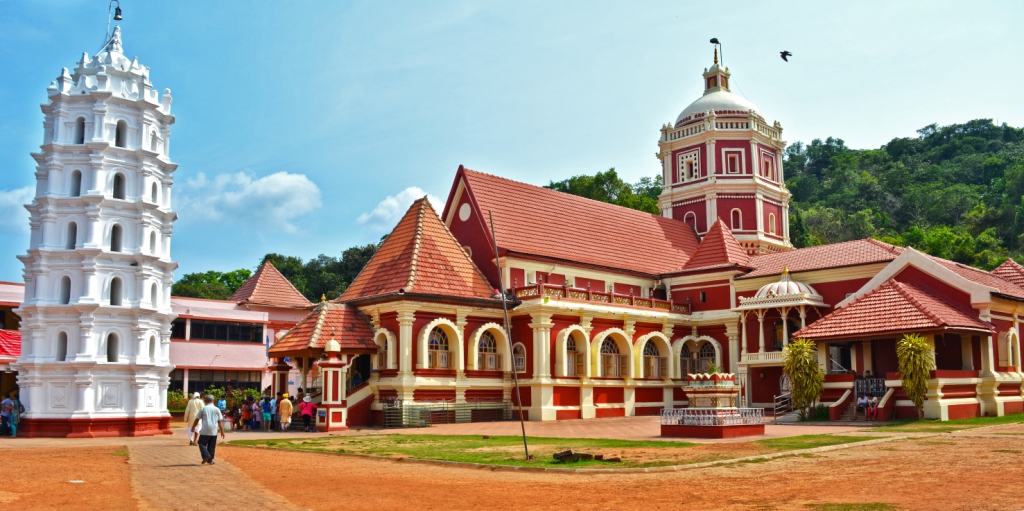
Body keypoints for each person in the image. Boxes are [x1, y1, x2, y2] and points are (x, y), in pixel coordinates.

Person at [192, 394, 225, 465]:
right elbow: (220, 421)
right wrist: (222, 431)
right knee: (211, 445)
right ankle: (210, 460)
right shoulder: (217, 409)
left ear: (206, 401)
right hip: (214, 430)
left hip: (205, 430)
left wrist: (193, 427)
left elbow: (197, 419)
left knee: (201, 443)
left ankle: (206, 455)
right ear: (213, 400)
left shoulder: (203, 409)